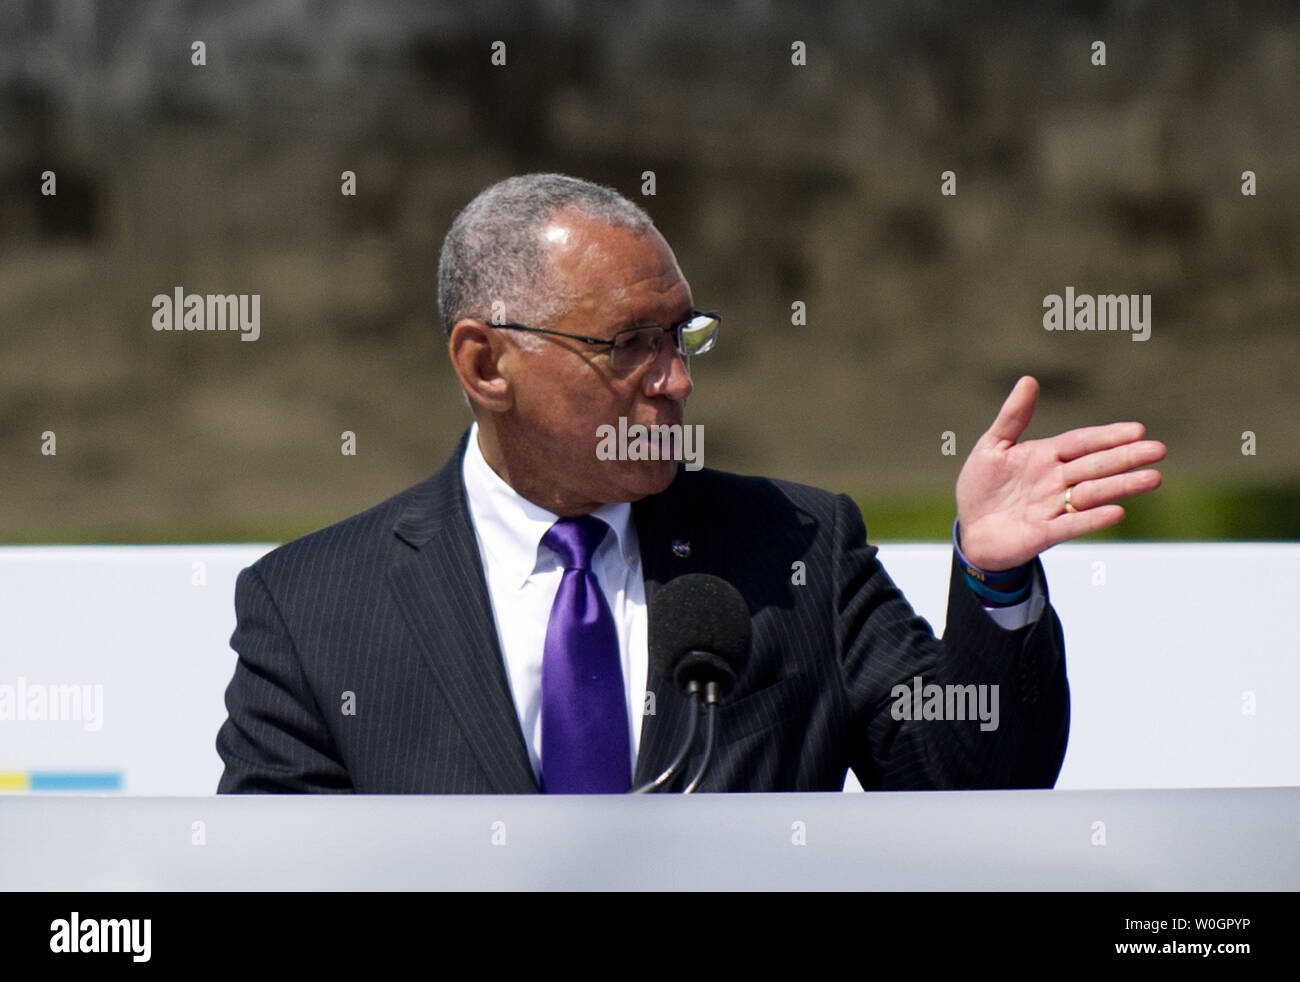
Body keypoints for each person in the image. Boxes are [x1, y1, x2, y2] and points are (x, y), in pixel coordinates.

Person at [215, 173, 1166, 794]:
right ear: (485, 365)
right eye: (629, 344)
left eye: (682, 336)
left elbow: (972, 788)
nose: (675, 379)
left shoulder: (796, 547)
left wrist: (993, 582)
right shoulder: (311, 608)